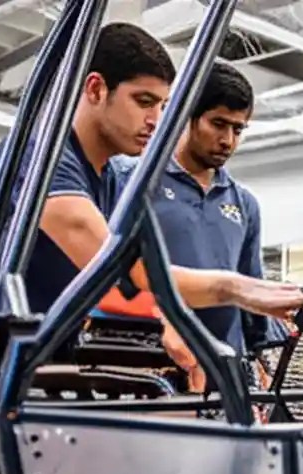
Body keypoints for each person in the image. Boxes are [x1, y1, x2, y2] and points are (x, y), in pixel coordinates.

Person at [0, 23, 303, 361]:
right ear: (95, 89)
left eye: (162, 105)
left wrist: (170, 326)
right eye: (143, 102)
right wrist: (233, 287)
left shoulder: (111, 178)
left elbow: (128, 291)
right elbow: (123, 271)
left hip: (37, 363)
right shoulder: (43, 155)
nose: (155, 120)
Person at [110, 61, 282, 391]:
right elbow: (109, 273)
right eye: (218, 124)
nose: (228, 140)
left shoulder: (244, 204)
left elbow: (250, 283)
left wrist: (261, 358)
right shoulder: (130, 182)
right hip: (148, 370)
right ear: (187, 116)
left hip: (224, 373)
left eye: (238, 129)